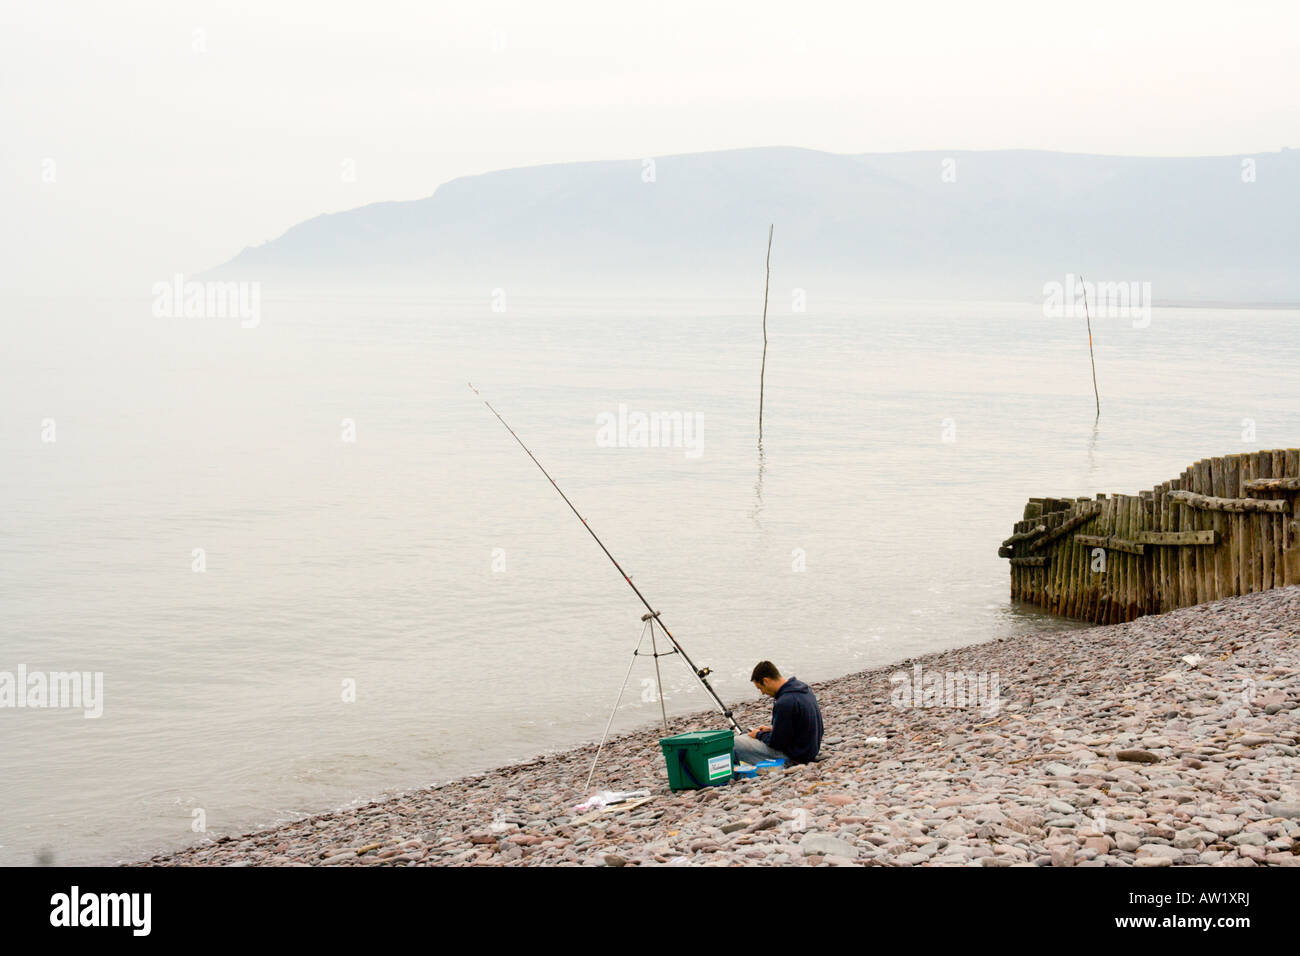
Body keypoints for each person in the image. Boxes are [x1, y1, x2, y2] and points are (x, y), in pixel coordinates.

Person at [733, 661, 824, 765]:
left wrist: (759, 735)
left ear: (766, 681)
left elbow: (777, 743)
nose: (762, 693)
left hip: (795, 755)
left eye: (760, 688)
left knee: (734, 743)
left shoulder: (785, 702)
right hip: (808, 749)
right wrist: (773, 729)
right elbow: (800, 724)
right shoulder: (802, 689)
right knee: (745, 736)